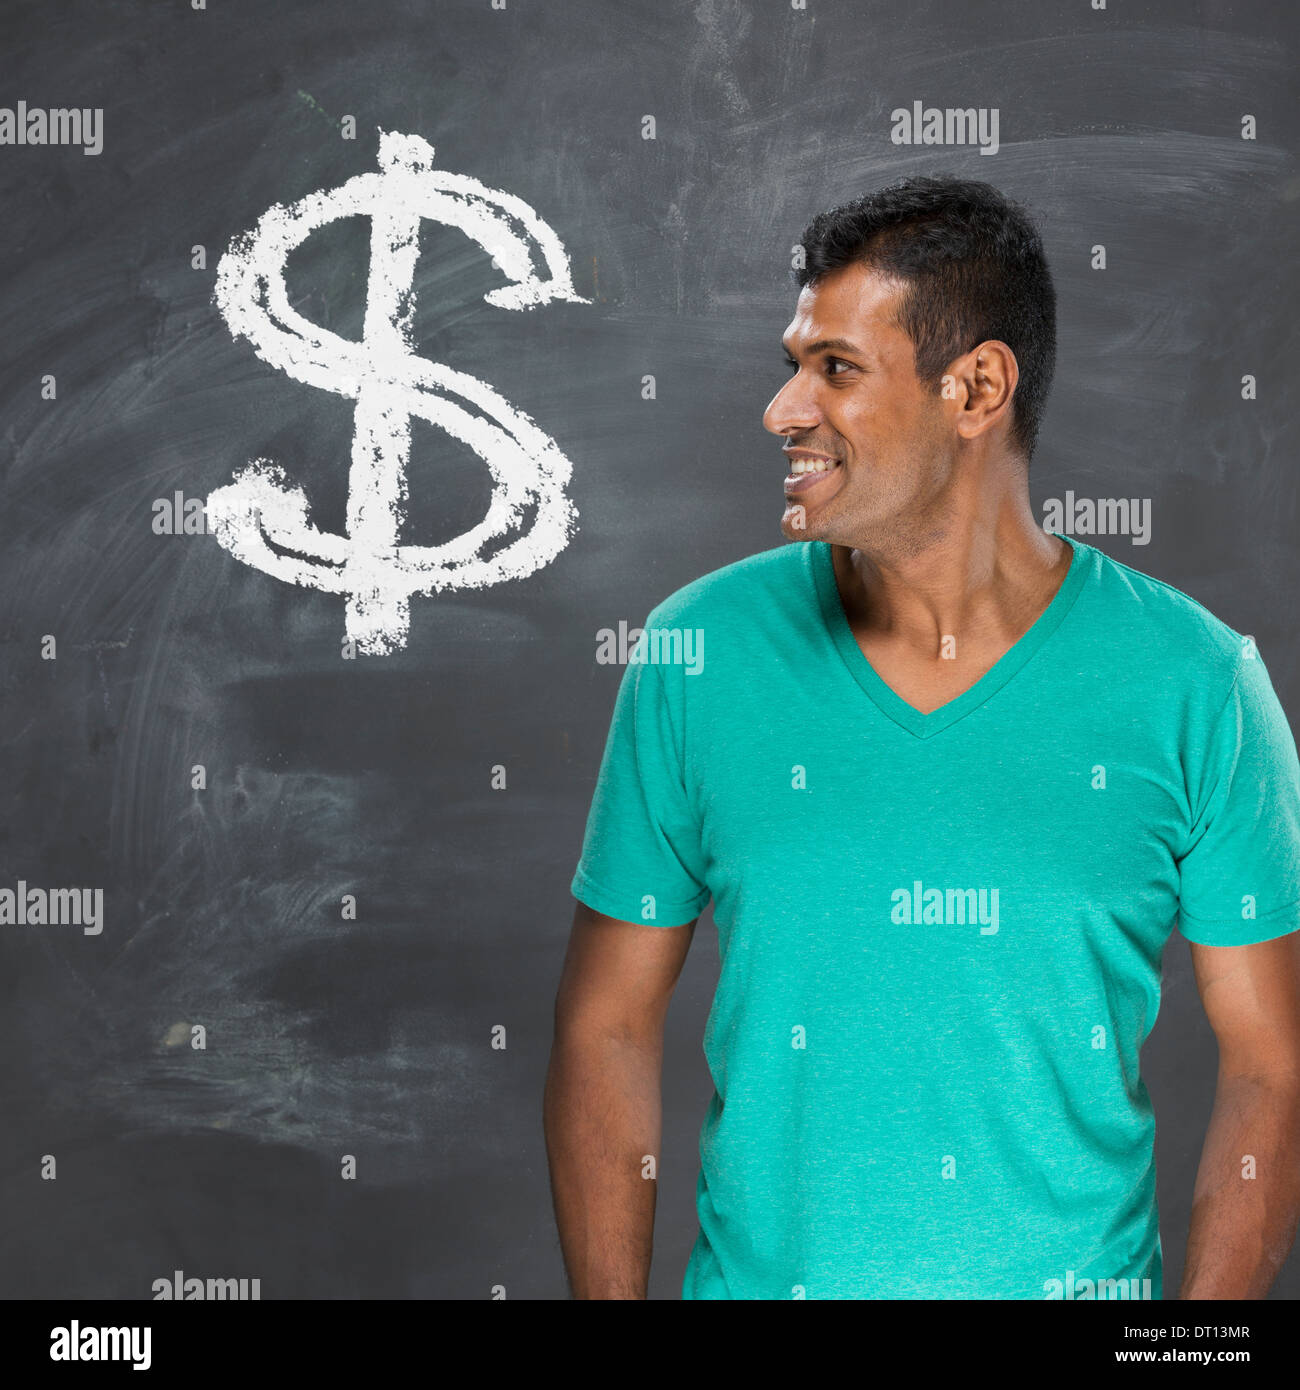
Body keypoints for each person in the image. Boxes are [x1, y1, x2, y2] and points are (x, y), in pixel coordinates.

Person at [544, 175, 1300, 1300]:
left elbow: (1272, 1069)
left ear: (976, 387)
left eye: (835, 369)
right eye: (791, 363)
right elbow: (604, 1029)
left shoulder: (1198, 683)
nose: (783, 409)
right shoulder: (694, 654)